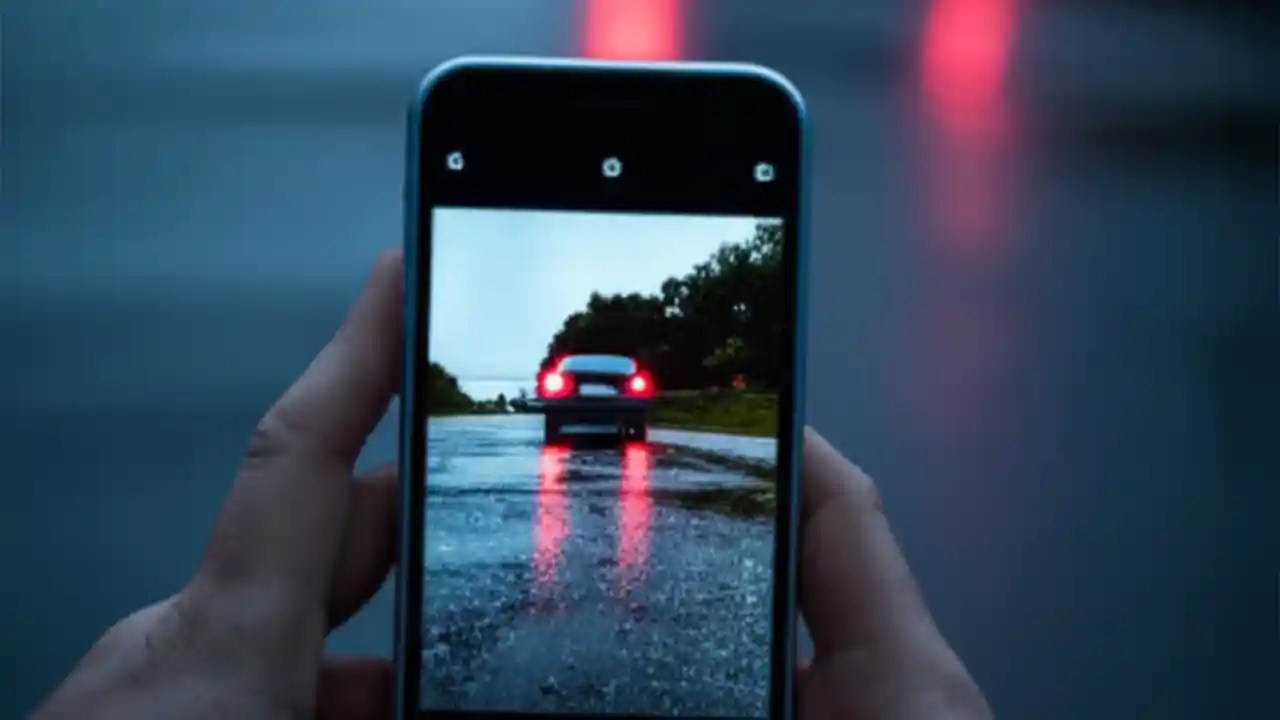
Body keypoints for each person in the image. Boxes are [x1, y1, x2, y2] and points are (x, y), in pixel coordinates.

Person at [33, 252, 992, 719]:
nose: (601, 391)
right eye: (580, 388)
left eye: (617, 389)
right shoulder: (612, 385)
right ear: (565, 389)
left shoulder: (578, 382)